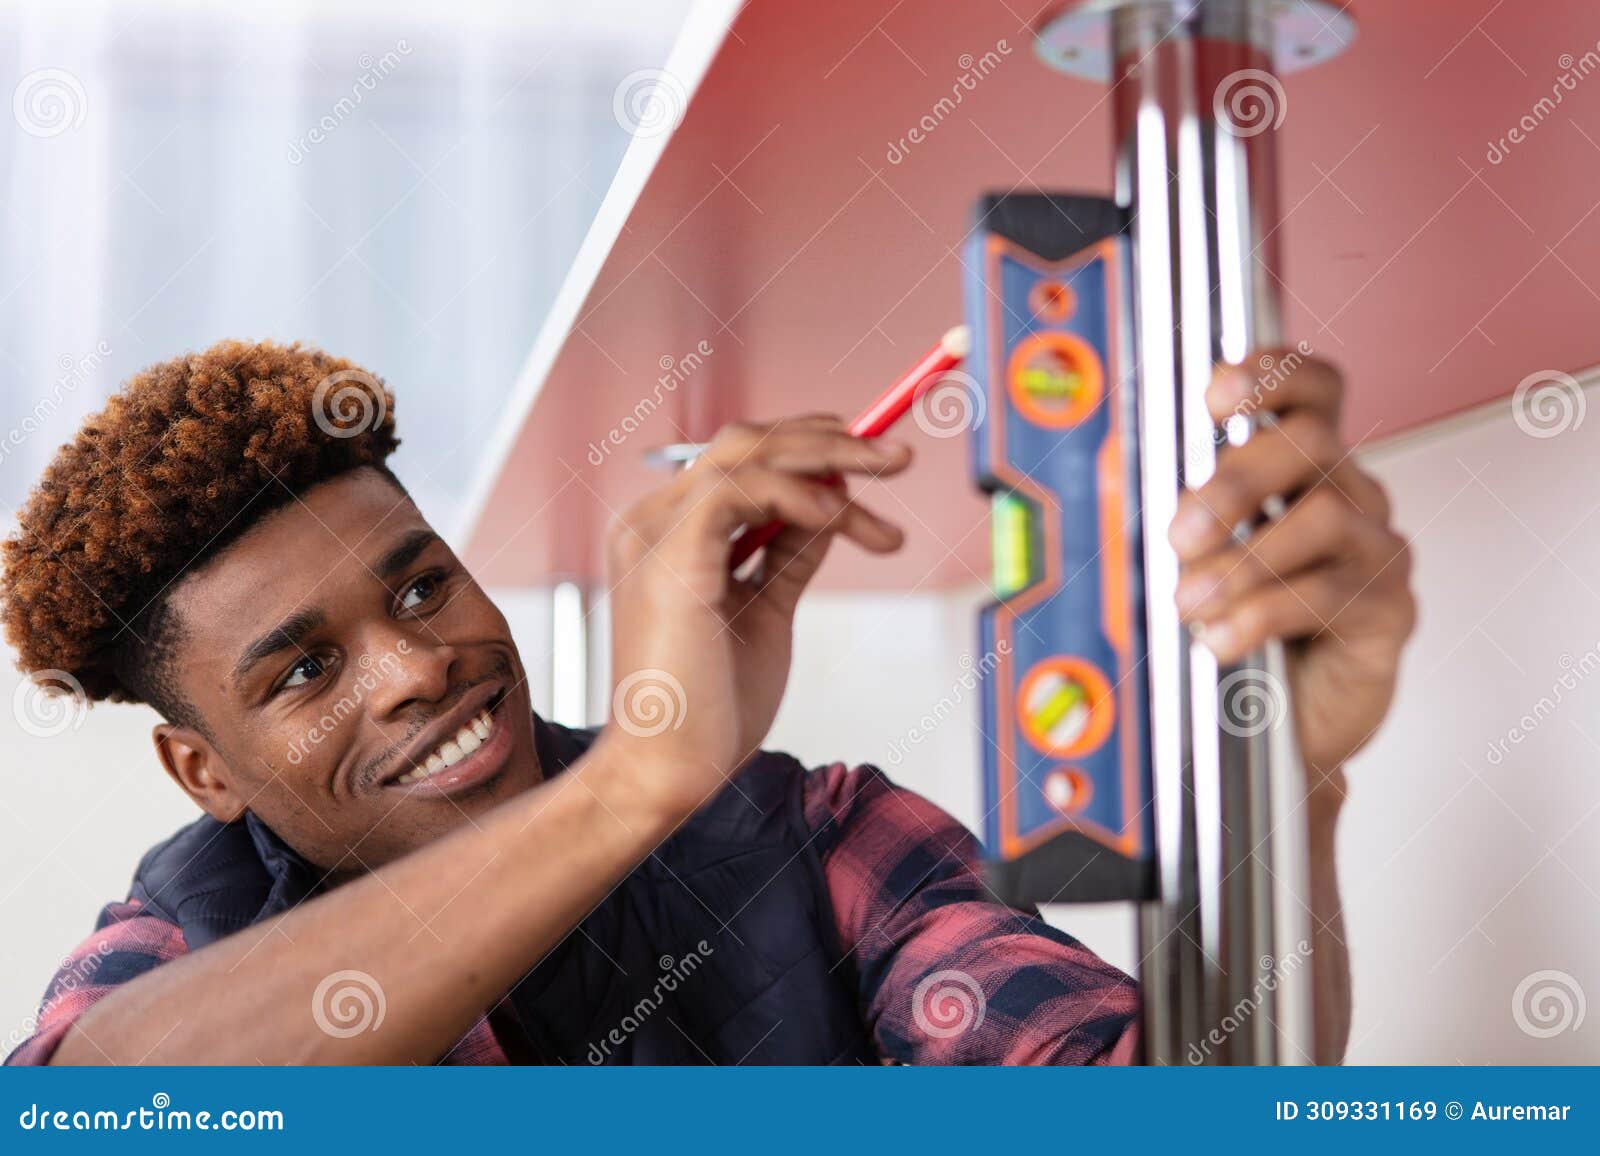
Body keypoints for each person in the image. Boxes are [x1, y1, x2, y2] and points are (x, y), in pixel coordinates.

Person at [0, 339, 1413, 1065]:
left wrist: (1278, 784)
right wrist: (634, 785)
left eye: (422, 587)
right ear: (207, 772)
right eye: (305, 669)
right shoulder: (186, 945)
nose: (420, 666)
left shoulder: (811, 841)